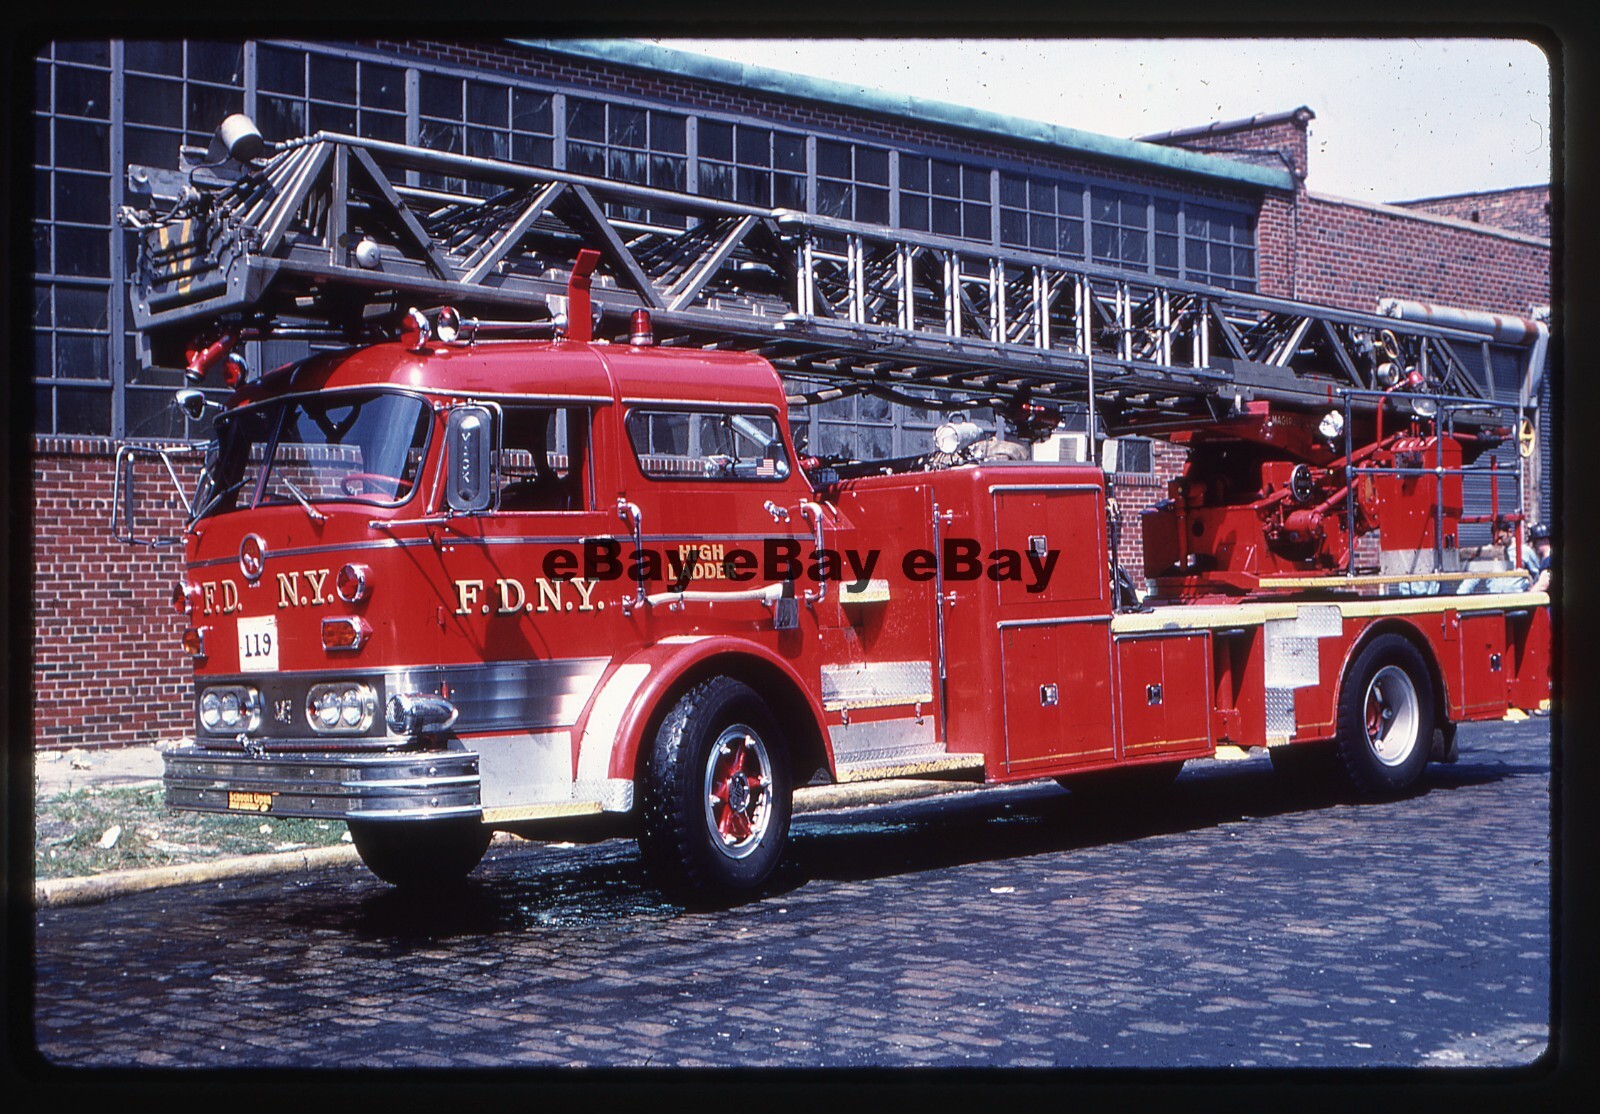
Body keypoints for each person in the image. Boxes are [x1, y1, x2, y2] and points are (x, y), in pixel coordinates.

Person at [1523, 523, 1552, 594]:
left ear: (1545, 540)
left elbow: (1543, 584)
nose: (1534, 546)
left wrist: (1526, 598)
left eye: (1535, 542)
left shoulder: (1549, 561)